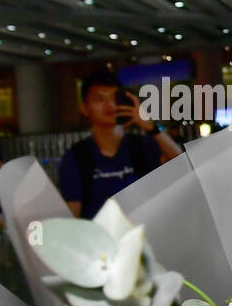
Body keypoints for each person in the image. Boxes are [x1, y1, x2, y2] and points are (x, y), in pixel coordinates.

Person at [58, 69, 182, 219]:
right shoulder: (76, 157)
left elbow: (183, 165)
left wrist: (151, 127)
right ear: (85, 108)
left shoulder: (142, 145)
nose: (109, 106)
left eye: (114, 98)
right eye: (99, 99)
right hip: (100, 239)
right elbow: (73, 216)